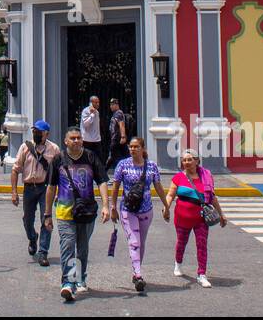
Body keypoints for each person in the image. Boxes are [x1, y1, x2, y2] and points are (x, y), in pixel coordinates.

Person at [43, 126, 110, 302]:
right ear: (66, 141)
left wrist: (105, 205)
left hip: (86, 212)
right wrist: (47, 214)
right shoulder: (58, 159)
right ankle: (68, 283)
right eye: (72, 138)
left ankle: (81, 278)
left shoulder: (90, 157)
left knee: (82, 248)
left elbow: (102, 181)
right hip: (65, 212)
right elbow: (51, 188)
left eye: (79, 138)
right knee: (67, 247)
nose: (76, 140)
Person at [108, 136, 169, 293]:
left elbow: (158, 187)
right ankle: (139, 274)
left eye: (136, 147)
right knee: (134, 242)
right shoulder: (123, 165)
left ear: (143, 148)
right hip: (128, 209)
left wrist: (166, 205)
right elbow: (115, 187)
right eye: (131, 146)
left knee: (141, 242)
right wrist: (113, 206)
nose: (133, 149)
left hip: (146, 210)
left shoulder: (152, 166)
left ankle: (136, 271)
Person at [165, 148, 226, 288]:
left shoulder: (206, 176)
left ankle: (201, 274)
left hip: (201, 218)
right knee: (181, 242)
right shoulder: (178, 177)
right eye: (184, 160)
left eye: (190, 159)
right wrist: (166, 207)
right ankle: (178, 263)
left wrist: (221, 214)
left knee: (202, 245)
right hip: (182, 217)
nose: (186, 162)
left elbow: (212, 197)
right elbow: (170, 195)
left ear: (197, 161)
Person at [10, 119, 60, 267]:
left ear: (46, 133)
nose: (36, 134)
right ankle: (32, 238)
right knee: (27, 219)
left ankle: (43, 252)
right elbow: (15, 170)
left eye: (39, 131)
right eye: (34, 131)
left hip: (46, 188)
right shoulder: (25, 147)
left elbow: (59, 173)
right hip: (29, 188)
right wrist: (14, 192)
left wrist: (59, 192)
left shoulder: (54, 149)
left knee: (46, 218)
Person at [106, 99, 129, 170]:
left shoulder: (118, 113)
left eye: (113, 105)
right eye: (110, 105)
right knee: (125, 155)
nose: (111, 106)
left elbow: (121, 125)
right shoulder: (116, 113)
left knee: (112, 157)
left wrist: (123, 136)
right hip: (116, 138)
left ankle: (103, 174)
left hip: (117, 139)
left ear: (117, 105)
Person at [79, 96, 103, 165]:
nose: (98, 104)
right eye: (96, 102)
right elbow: (86, 124)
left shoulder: (97, 112)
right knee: (86, 159)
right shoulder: (86, 111)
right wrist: (92, 114)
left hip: (96, 140)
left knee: (99, 160)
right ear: (91, 103)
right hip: (87, 140)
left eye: (98, 102)